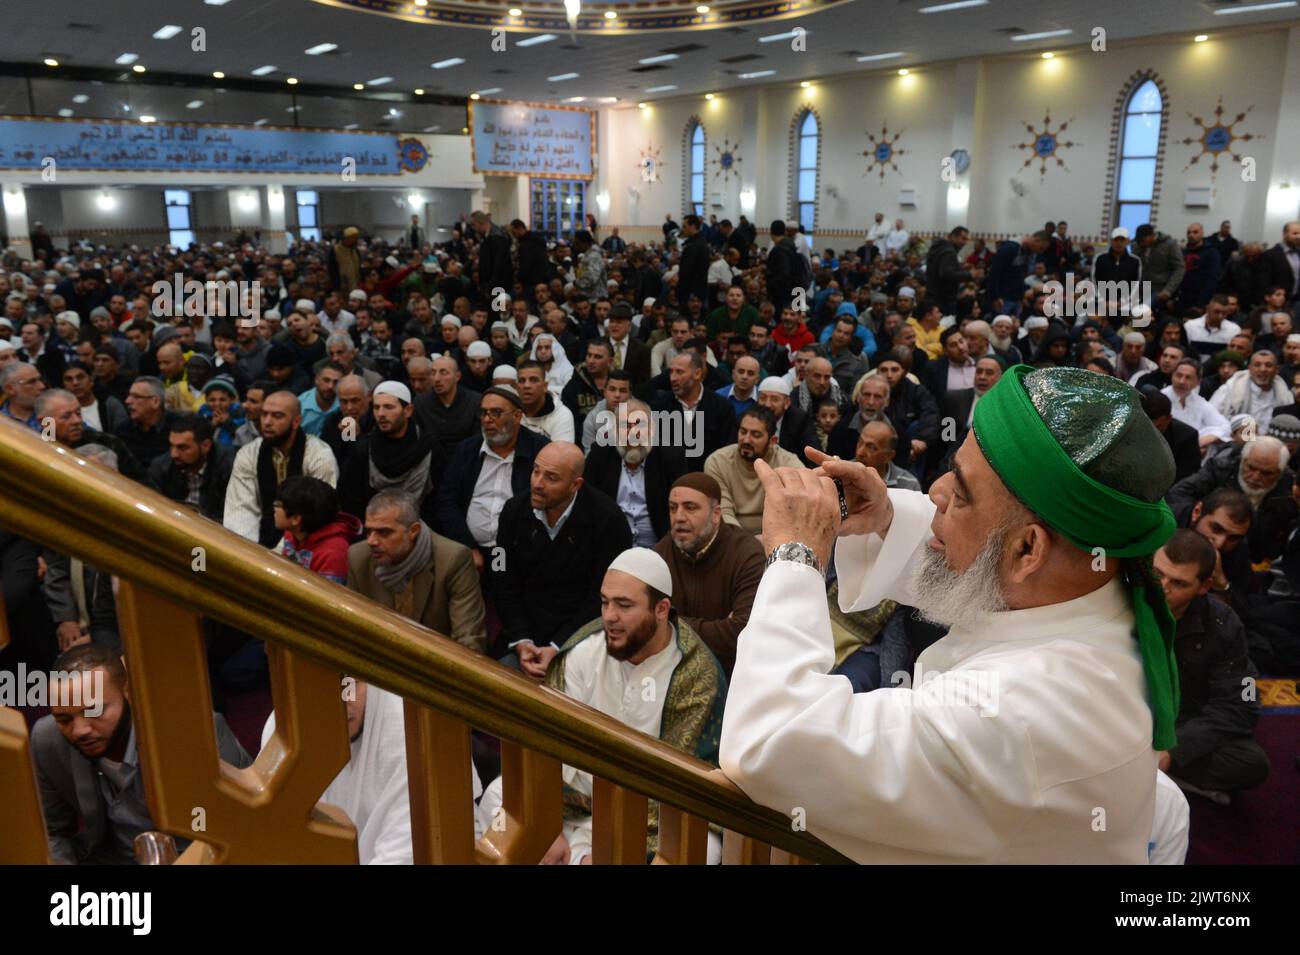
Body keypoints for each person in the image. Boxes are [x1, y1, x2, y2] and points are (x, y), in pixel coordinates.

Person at [721, 366, 1183, 863]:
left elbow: (773, 743)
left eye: (960, 492)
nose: (935, 491)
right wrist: (887, 517)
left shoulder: (1018, 710)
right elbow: (988, 560)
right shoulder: (1093, 583)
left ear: (1029, 548)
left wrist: (796, 554)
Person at [478, 548, 727, 864]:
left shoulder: (695, 674)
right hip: (575, 804)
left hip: (656, 814)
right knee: (498, 795)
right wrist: (545, 822)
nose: (609, 616)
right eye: (605, 602)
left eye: (624, 605)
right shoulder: (584, 651)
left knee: (703, 849)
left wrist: (611, 850)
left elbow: (686, 786)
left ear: (661, 609)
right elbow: (549, 743)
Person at [33, 645, 251, 864]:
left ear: (128, 693)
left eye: (94, 710)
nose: (79, 730)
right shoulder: (48, 740)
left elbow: (237, 822)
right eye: (64, 720)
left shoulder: (194, 729)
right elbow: (51, 832)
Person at [490, 442, 632, 667]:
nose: (537, 483)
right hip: (522, 632)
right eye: (536, 471)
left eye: (551, 478)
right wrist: (522, 640)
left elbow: (601, 597)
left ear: (575, 484)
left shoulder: (609, 521)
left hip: (581, 637)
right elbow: (501, 576)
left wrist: (559, 646)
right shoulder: (512, 511)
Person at [1153, 530, 1269, 802]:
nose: (1162, 587)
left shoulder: (1223, 624)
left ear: (1204, 586)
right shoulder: (1127, 601)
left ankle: (1158, 770)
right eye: (1157, 574)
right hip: (1128, 716)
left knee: (1251, 763)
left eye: (1179, 583)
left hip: (1182, 724)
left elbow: (1240, 704)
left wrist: (1174, 749)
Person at [345, 489, 487, 653]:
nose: (371, 541)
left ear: (413, 531)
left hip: (435, 664)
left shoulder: (453, 559)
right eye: (369, 531)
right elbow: (351, 629)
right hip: (378, 662)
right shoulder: (358, 556)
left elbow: (469, 642)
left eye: (384, 532)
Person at [653, 472, 764, 677]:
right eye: (672, 508)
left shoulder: (746, 554)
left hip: (732, 676)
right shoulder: (660, 555)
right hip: (672, 673)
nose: (679, 517)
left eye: (690, 507)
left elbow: (743, 633)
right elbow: (648, 623)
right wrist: (721, 627)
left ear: (716, 514)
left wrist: (670, 624)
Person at [435, 385, 549, 567]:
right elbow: (447, 500)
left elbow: (548, 504)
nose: (487, 420)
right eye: (484, 413)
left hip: (520, 551)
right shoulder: (468, 450)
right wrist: (467, 547)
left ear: (518, 416)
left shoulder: (540, 450)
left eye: (496, 413)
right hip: (468, 547)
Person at [224, 390, 339, 547]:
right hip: (258, 547)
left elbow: (317, 515)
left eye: (277, 416)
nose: (267, 422)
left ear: (296, 422)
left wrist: (276, 558)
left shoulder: (319, 456)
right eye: (264, 414)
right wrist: (248, 555)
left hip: (308, 544)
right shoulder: (248, 454)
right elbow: (241, 511)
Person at [1167, 435, 1296, 560]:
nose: (1256, 477)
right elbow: (1178, 494)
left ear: (1280, 473)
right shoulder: (1220, 468)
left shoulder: (1289, 490)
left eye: (1266, 473)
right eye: (1251, 468)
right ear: (1243, 460)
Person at [339, 381, 445, 528]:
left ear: (407, 410)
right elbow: (351, 501)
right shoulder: (363, 449)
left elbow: (441, 500)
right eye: (376, 408)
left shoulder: (429, 447)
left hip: (421, 529)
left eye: (388, 407)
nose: (381, 414)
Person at [704, 407, 804, 535]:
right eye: (743, 432)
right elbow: (723, 512)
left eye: (756, 435)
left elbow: (797, 514)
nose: (746, 440)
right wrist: (746, 544)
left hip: (776, 536)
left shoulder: (789, 465)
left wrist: (767, 541)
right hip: (731, 537)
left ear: (773, 441)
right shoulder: (717, 462)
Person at [273, 475, 360, 585]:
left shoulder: (333, 555)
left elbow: (326, 598)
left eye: (278, 504)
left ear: (296, 519)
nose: (274, 507)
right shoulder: (293, 532)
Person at [147, 413, 235, 522]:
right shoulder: (162, 467)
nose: (174, 454)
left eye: (182, 447)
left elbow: (231, 520)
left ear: (205, 446)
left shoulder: (230, 467)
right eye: (171, 446)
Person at [1208, 348, 1291, 432]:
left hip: (1273, 441)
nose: (1263, 369)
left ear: (1277, 370)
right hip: (1237, 440)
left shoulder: (1285, 394)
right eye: (1257, 365)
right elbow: (1211, 418)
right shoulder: (1230, 389)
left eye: (1268, 365)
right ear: (1249, 368)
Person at [414, 355, 482, 458]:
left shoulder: (475, 402)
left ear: (457, 376)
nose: (437, 379)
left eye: (443, 372)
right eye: (433, 373)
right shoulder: (420, 403)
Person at [1163, 358, 1231, 451]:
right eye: (1179, 375)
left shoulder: (1199, 402)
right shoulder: (1161, 398)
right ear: (1172, 376)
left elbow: (1225, 426)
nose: (1182, 381)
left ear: (1198, 382)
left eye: (1188, 377)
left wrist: (1204, 439)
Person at [1141, 389, 1202, 483]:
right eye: (1147, 426)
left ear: (1169, 419)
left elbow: (1187, 478)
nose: (1151, 431)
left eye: (1157, 427)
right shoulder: (1129, 428)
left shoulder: (1187, 437)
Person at [115, 376, 176, 466]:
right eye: (129, 395)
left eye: (136, 397)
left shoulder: (178, 427)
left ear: (155, 402)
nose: (127, 401)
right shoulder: (123, 429)